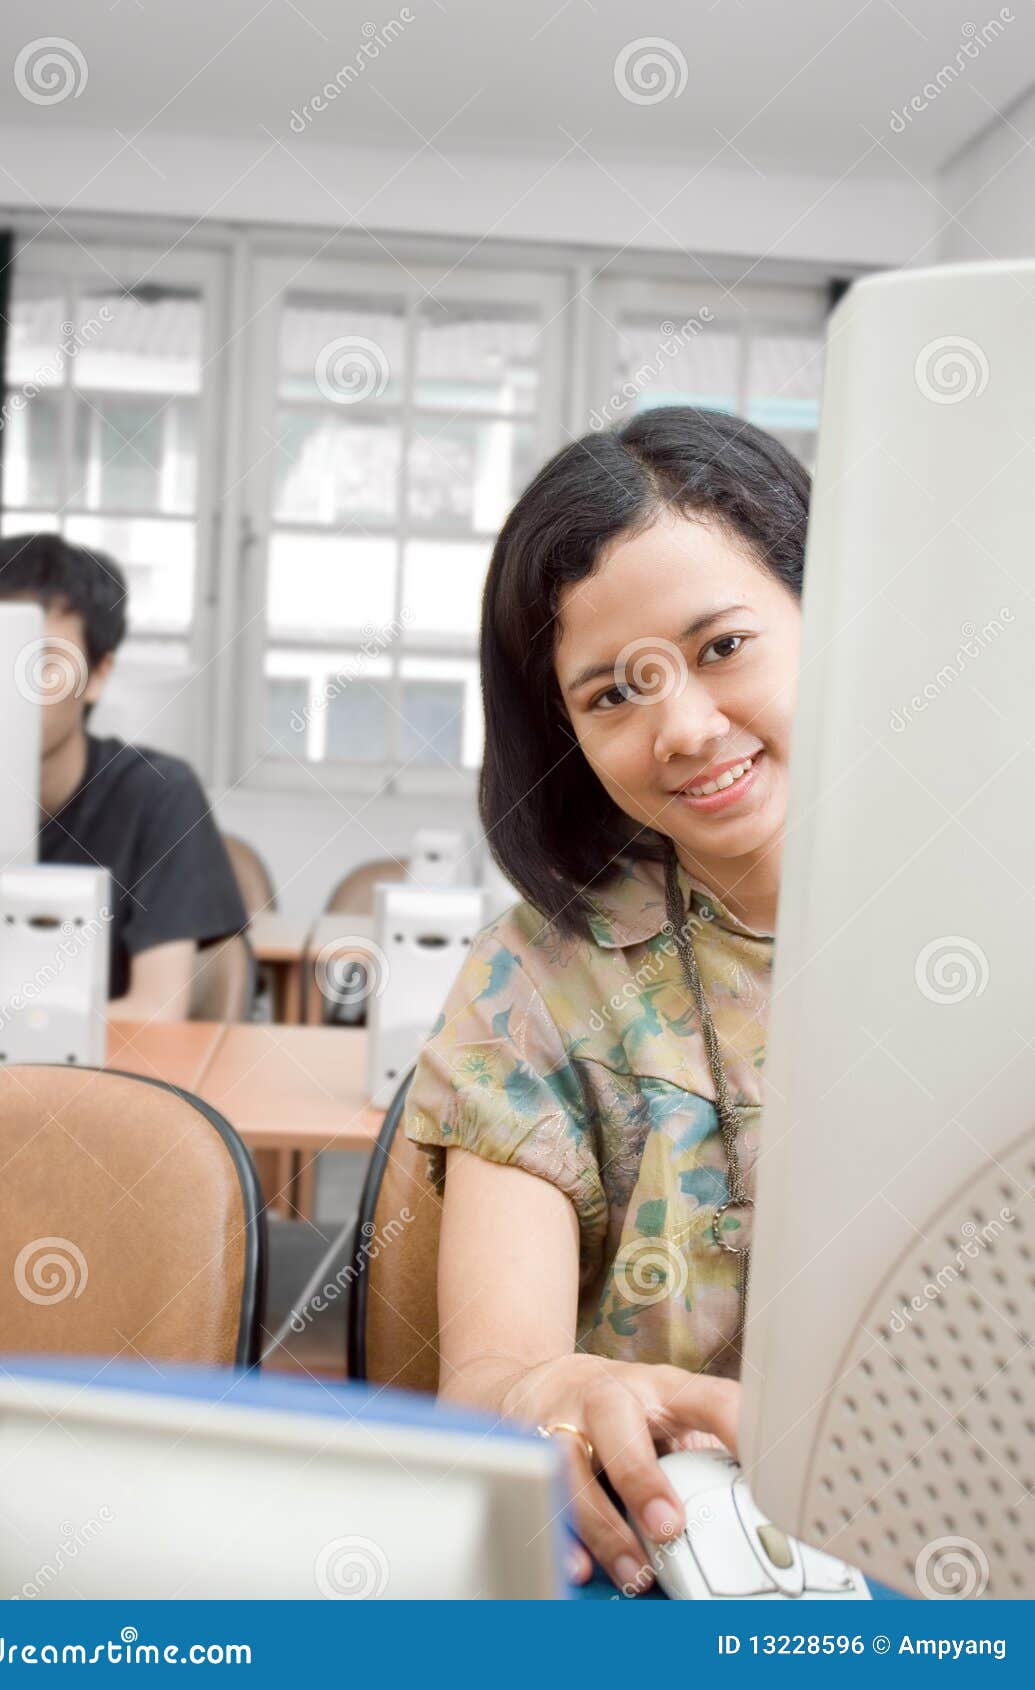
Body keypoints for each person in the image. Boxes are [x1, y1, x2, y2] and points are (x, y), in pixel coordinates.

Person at [403, 406, 809, 1593]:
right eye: (609, 695)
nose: (682, 726)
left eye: (723, 645)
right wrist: (549, 1395)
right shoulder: (534, 977)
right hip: (661, 1576)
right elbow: (488, 1383)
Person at [0, 533, 247, 1020]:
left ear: (97, 674)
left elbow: (157, 1011)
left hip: (97, 1084)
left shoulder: (158, 795)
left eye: (44, 662)